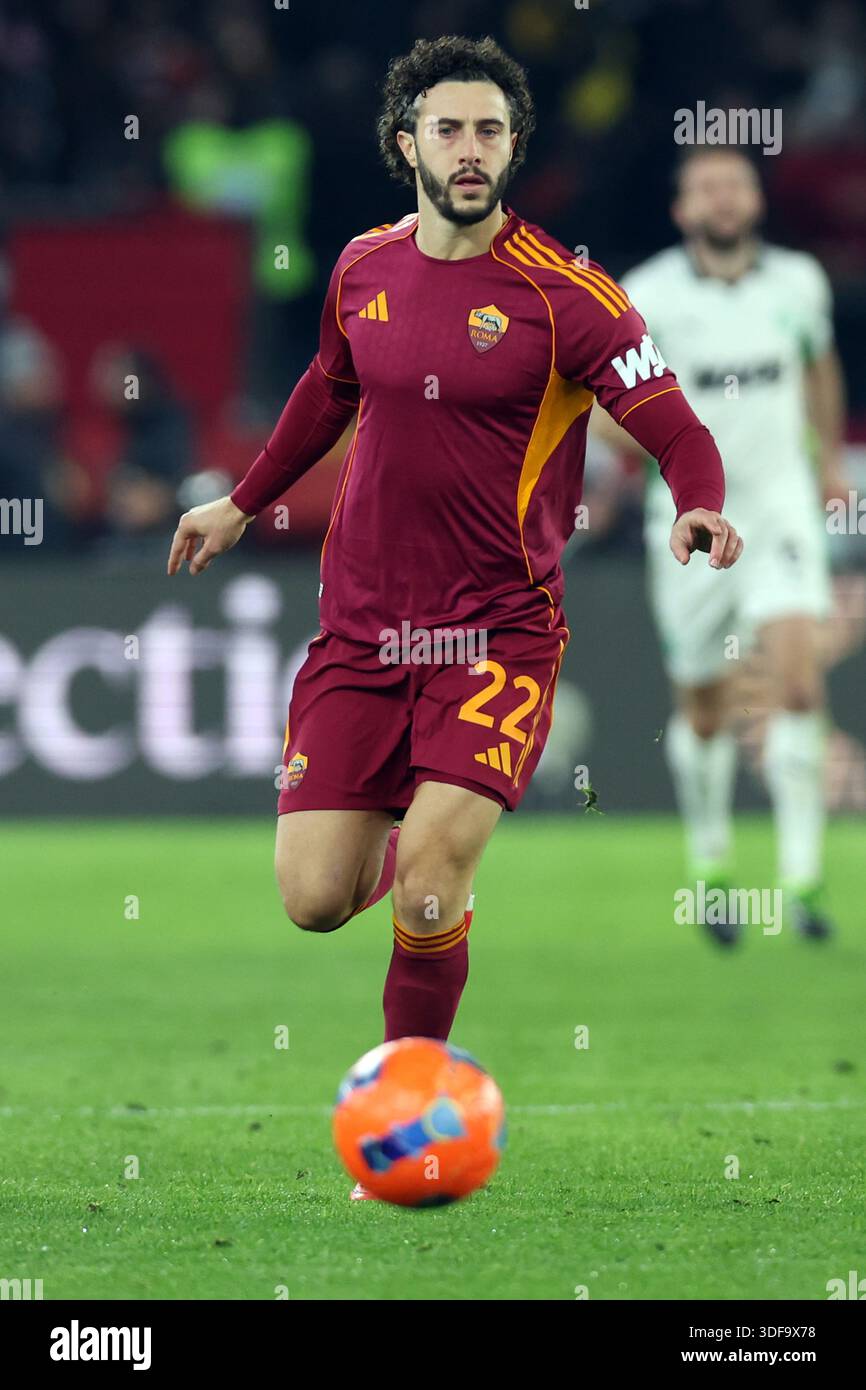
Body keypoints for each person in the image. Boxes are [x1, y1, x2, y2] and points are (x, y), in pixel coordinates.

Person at [167, 36, 742, 1194]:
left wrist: (700, 506)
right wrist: (241, 501)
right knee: (315, 900)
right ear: (406, 144)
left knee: (432, 883)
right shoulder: (360, 269)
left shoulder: (566, 296)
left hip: (497, 635)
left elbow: (672, 420)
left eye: (489, 131)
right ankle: (394, 838)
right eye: (448, 129)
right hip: (360, 633)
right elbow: (325, 391)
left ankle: (412, 1101)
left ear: (512, 146)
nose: (470, 150)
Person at [592, 146, 845, 944]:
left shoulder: (799, 282)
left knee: (797, 681)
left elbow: (818, 369)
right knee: (702, 708)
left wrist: (829, 463)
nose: (723, 199)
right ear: (682, 211)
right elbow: (607, 404)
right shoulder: (650, 296)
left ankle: (802, 881)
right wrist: (632, 457)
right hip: (692, 521)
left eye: (735, 184)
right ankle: (711, 864)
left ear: (756, 202)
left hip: (781, 513)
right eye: (706, 188)